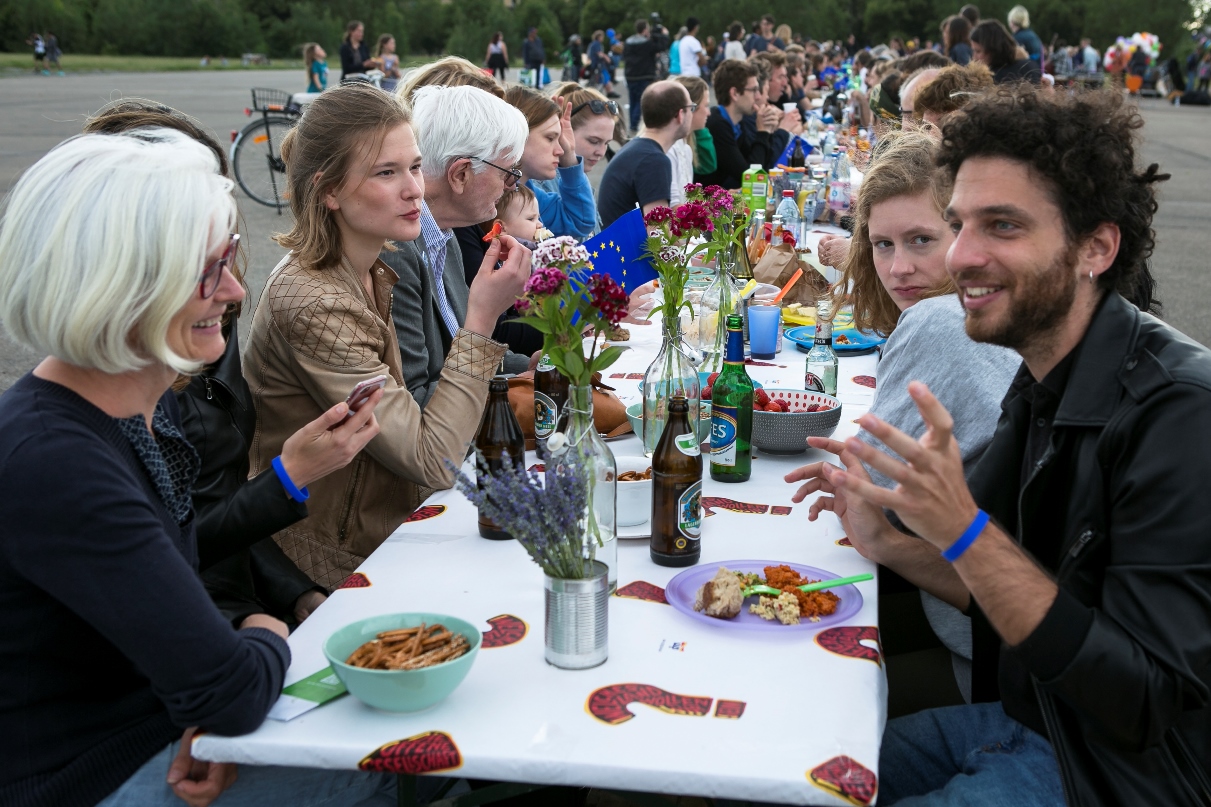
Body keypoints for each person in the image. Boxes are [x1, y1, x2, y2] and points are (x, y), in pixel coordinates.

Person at [787, 86, 1211, 807]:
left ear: (1095, 247)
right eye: (956, 224)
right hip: (1023, 722)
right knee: (780, 767)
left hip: (1112, 774)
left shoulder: (1179, 415)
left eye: (1002, 226)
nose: (961, 254)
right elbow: (1009, 601)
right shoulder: (1041, 376)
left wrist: (965, 530)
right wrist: (889, 543)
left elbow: (1142, 700)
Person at [0, 128, 401, 807]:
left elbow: (171, 612)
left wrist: (211, 696)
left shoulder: (119, 414)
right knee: (387, 757)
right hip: (83, 775)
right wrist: (262, 629)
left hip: (153, 723)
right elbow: (234, 689)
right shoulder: (59, 459)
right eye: (210, 268)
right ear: (124, 282)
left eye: (230, 259)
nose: (236, 288)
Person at [80, 99, 377, 629]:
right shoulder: (104, 392)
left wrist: (293, 592)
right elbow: (167, 549)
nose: (236, 286)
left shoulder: (215, 306)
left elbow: (216, 492)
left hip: (232, 601)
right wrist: (290, 476)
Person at [243, 84, 530, 589]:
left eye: (416, 167)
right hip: (325, 558)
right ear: (329, 190)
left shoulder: (372, 268)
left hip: (385, 527)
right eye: (386, 172)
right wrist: (482, 320)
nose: (415, 190)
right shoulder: (316, 299)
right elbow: (431, 458)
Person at [825, 131, 1020, 700]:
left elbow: (868, 492)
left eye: (920, 240)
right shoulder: (988, 315)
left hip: (997, 673)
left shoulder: (940, 319)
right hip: (992, 639)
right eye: (882, 245)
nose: (899, 267)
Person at [380, 84, 534, 407]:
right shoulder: (396, 253)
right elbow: (416, 402)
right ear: (461, 174)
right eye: (509, 173)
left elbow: (462, 358)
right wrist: (487, 313)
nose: (511, 187)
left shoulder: (444, 237)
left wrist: (530, 367)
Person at [504, 85, 597, 239]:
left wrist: (569, 157)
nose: (560, 151)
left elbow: (580, 222)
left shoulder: (528, 192)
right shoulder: (490, 195)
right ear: (518, 135)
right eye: (550, 138)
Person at [598, 81, 691, 228]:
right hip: (627, 250)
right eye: (691, 108)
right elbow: (659, 234)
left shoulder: (639, 149)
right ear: (680, 115)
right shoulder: (653, 160)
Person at [697, 59, 778, 188]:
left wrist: (769, 131)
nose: (758, 97)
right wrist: (763, 132)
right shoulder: (717, 125)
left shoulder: (737, 124)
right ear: (734, 93)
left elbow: (762, 166)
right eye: (754, 90)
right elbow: (748, 178)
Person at [671, 75, 715, 203]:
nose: (709, 112)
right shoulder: (671, 149)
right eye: (706, 106)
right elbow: (673, 208)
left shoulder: (685, 147)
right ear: (690, 108)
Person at [623, 19, 671, 132]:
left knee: (633, 100)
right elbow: (661, 47)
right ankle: (634, 125)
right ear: (645, 30)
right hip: (644, 75)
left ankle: (632, 124)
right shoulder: (647, 43)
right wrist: (664, 35)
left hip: (630, 75)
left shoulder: (628, 42)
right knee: (640, 100)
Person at [971, 20, 1041, 84]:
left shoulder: (991, 80)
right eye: (973, 51)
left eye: (978, 51)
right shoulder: (1029, 66)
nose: (974, 57)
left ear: (992, 50)